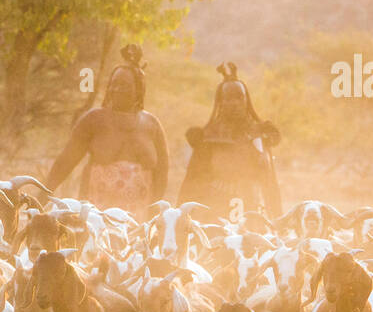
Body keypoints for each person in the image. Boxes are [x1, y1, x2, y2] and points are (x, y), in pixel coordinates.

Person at [45, 45, 169, 217]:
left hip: (139, 221)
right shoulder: (94, 120)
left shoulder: (152, 124)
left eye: (124, 85)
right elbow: (65, 161)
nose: (117, 89)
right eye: (114, 84)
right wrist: (43, 193)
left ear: (139, 89)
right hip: (96, 221)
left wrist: (154, 212)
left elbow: (162, 172)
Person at [177, 62, 281, 218]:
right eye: (229, 98)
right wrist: (182, 215)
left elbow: (269, 182)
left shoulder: (259, 133)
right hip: (216, 207)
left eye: (239, 98)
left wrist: (276, 217)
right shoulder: (209, 137)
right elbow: (193, 180)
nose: (235, 104)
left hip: (253, 207)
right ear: (221, 102)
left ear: (247, 100)